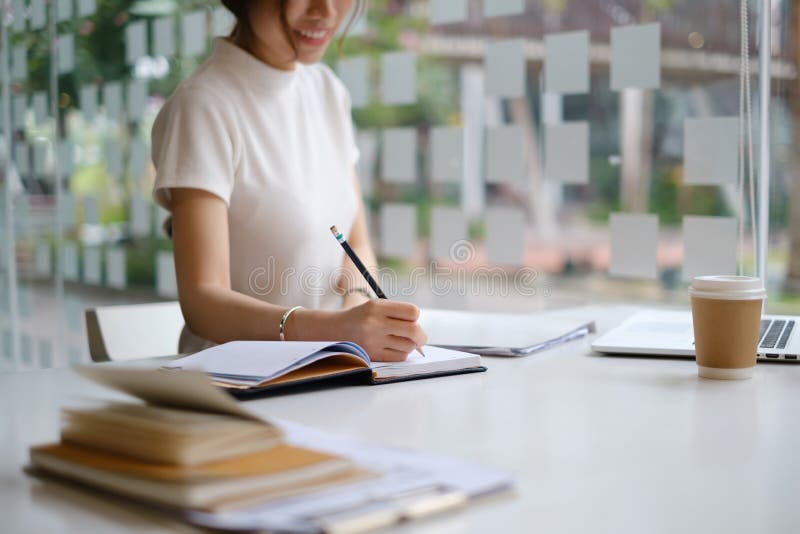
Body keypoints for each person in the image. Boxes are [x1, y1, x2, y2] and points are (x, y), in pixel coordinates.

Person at [151, 0, 427, 361]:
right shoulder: (203, 105)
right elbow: (203, 301)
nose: (326, 10)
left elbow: (357, 245)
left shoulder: (328, 91)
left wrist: (359, 315)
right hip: (238, 378)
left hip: (331, 367)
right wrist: (335, 330)